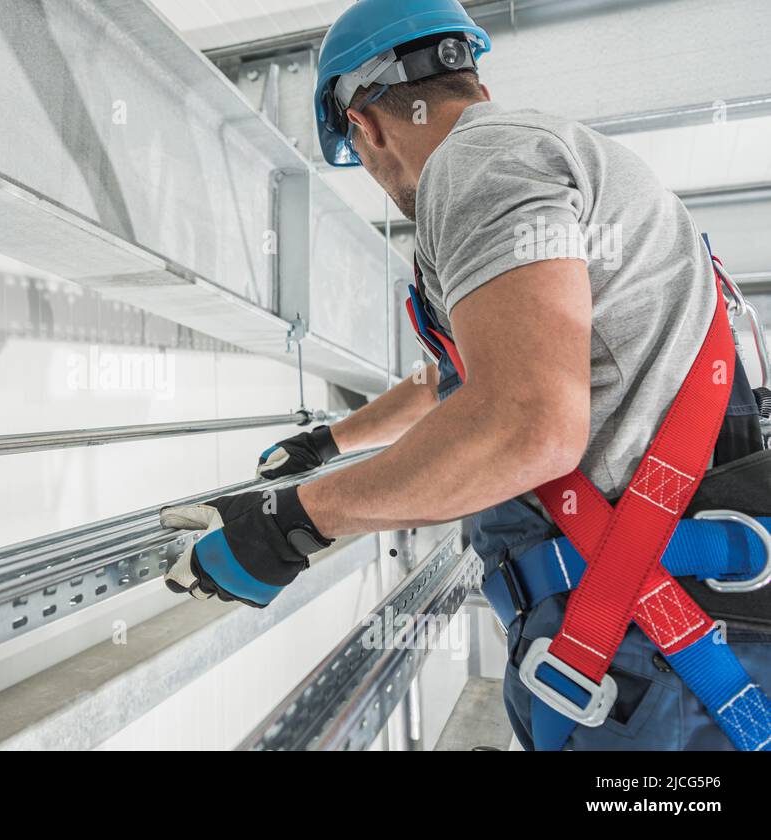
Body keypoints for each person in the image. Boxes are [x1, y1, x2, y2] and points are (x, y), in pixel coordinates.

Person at [160, 0, 771, 750]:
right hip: (665, 642)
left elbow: (525, 423)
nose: (380, 175)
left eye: (363, 156)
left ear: (366, 126)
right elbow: (460, 378)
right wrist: (328, 443)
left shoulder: (478, 164)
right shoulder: (558, 161)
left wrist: (290, 524)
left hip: (651, 656)